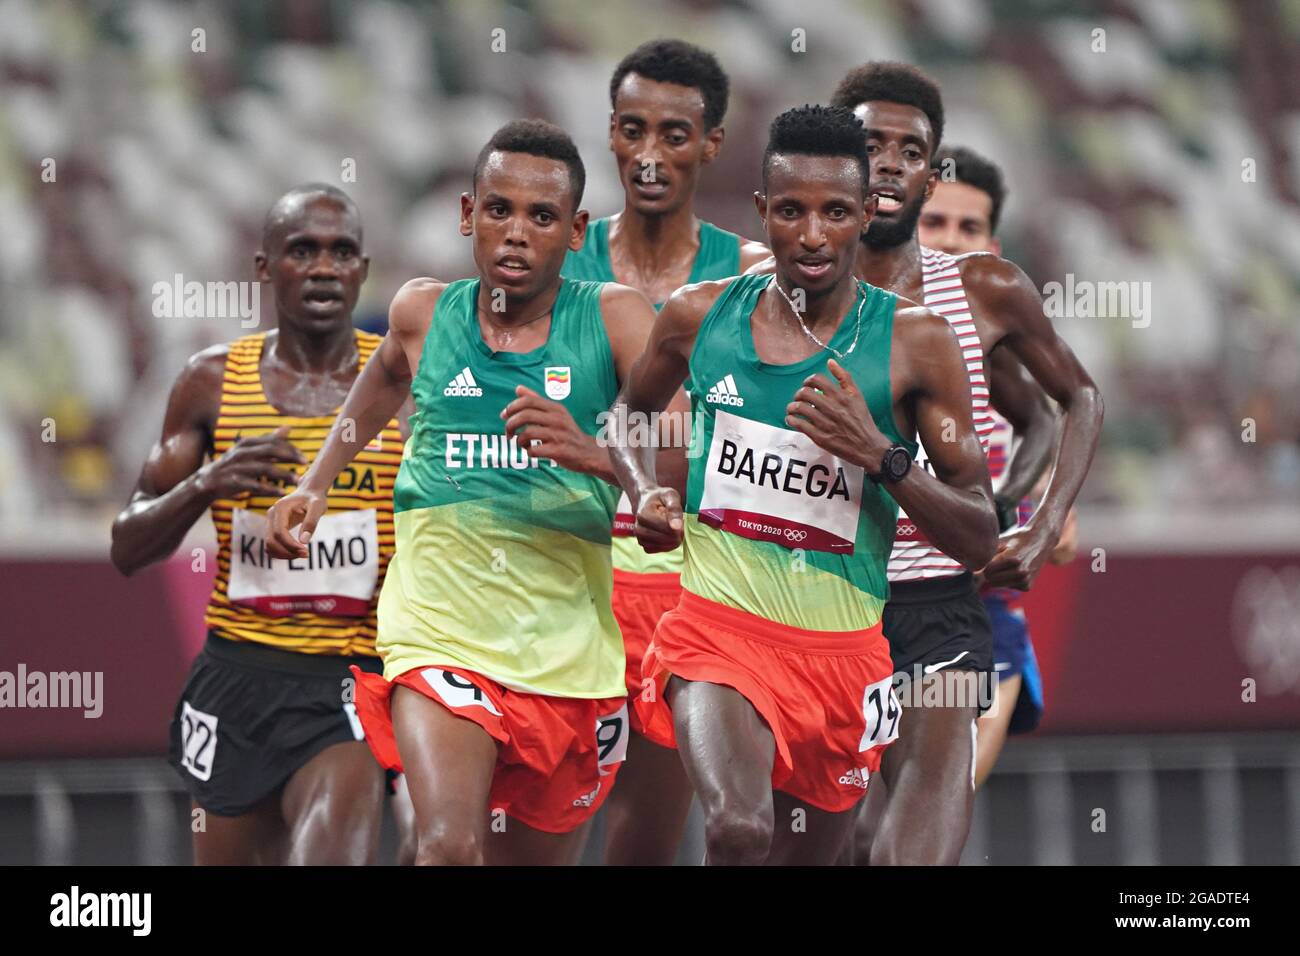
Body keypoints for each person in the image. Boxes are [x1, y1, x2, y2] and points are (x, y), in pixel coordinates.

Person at [610, 105, 998, 865]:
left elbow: (978, 534)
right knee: (738, 827)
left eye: (834, 213)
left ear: (865, 216)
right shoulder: (698, 315)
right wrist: (641, 488)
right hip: (716, 632)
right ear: (762, 212)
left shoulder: (918, 343)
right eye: (791, 211)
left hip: (845, 653)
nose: (813, 236)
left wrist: (881, 454)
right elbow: (627, 413)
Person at [266, 121, 661, 865]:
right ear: (466, 214)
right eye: (498, 209)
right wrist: (314, 486)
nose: (515, 233)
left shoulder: (615, 318)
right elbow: (383, 377)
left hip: (567, 652)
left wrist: (601, 459)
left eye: (541, 217)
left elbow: (690, 450)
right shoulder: (422, 312)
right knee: (446, 844)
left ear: (576, 230)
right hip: (439, 631)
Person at [830, 62, 1103, 864]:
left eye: (908, 150)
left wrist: (1035, 519)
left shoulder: (982, 288)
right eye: (867, 144)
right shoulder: (777, 289)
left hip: (940, 602)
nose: (887, 162)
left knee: (918, 826)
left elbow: (1077, 398)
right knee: (826, 841)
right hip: (816, 603)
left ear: (930, 168)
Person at [111, 185, 407, 865]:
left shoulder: (406, 392)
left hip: (350, 681)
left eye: (341, 252)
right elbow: (128, 545)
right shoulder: (210, 382)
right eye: (303, 250)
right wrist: (208, 482)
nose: (324, 267)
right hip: (239, 677)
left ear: (363, 269)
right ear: (266, 266)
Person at [561, 37, 769, 865]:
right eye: (632, 130)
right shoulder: (554, 259)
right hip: (563, 575)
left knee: (643, 838)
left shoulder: (750, 278)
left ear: (711, 144)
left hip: (687, 592)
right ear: (610, 132)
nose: (649, 156)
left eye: (674, 136)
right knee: (541, 824)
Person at [918, 144, 1079, 784]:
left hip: (982, 625)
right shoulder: (857, 332)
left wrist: (1035, 517)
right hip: (865, 617)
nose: (952, 241)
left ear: (994, 243)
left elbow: (1063, 540)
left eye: (970, 227)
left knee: (935, 809)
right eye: (935, 222)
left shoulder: (1012, 371)